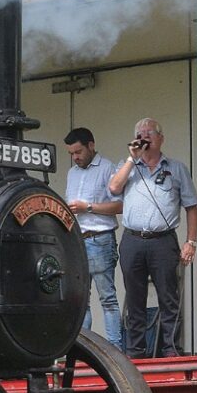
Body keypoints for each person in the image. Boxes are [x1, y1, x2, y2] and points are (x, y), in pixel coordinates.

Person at [107, 118, 197, 359]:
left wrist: (190, 242)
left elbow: (191, 207)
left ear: (161, 138)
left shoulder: (176, 168)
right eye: (140, 133)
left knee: (169, 297)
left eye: (149, 133)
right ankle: (136, 351)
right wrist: (132, 158)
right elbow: (114, 188)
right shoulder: (128, 166)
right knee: (134, 297)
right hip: (133, 239)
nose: (144, 137)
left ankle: (171, 348)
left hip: (163, 240)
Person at [64, 127, 123, 349]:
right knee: (81, 302)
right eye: (71, 153)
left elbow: (119, 206)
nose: (75, 157)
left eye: (78, 151)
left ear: (91, 145)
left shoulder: (107, 167)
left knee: (107, 298)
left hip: (100, 238)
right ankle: (83, 351)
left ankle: (115, 349)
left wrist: (87, 207)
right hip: (77, 240)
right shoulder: (72, 173)